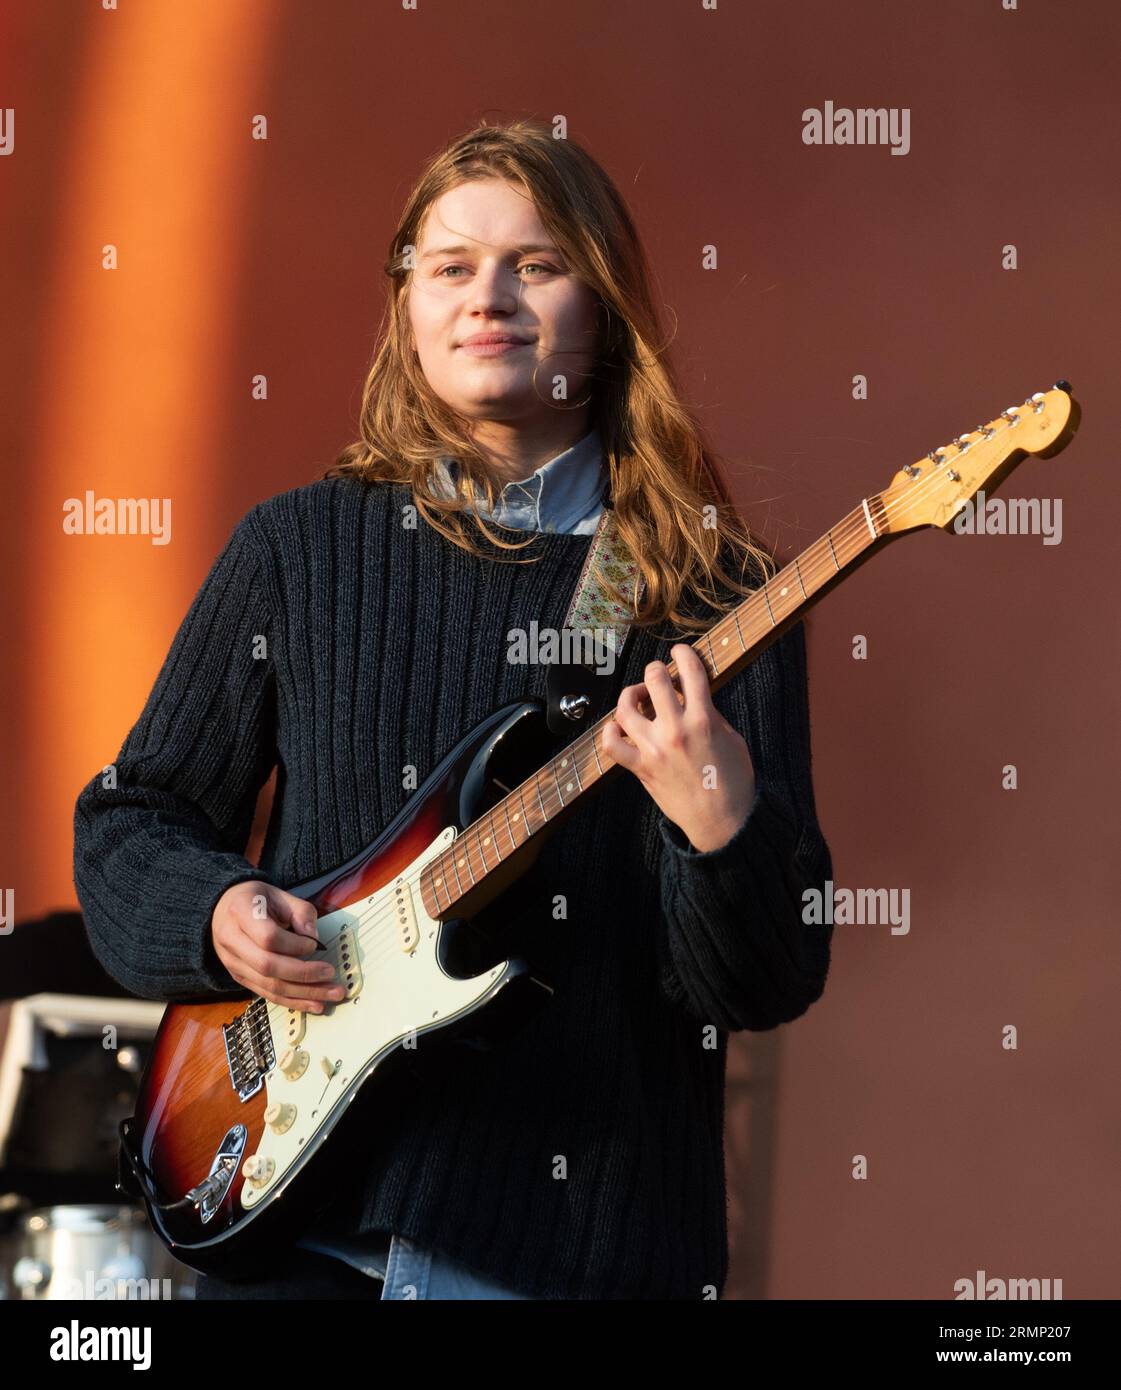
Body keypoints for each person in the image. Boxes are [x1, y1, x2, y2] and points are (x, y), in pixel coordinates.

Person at [73, 118, 834, 1301]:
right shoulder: (298, 549)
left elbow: (764, 980)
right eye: (449, 267)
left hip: (574, 1257)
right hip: (295, 1234)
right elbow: (132, 817)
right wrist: (215, 910)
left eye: (535, 265)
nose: (488, 298)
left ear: (607, 305)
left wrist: (719, 824)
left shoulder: (707, 597)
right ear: (408, 305)